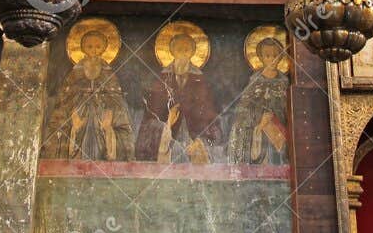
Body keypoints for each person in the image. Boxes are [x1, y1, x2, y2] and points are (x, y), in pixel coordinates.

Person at [44, 21, 133, 162]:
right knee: (77, 129)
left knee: (102, 131)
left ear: (104, 49)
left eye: (97, 47)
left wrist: (109, 111)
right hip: (79, 111)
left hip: (102, 113)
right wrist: (73, 111)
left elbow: (115, 95)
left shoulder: (107, 70)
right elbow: (67, 94)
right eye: (89, 46)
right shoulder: (76, 70)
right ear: (83, 48)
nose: (93, 50)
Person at [135, 24, 221, 163]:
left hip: (194, 136)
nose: (182, 53)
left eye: (186, 49)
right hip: (167, 138)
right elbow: (152, 114)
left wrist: (200, 139)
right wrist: (168, 123)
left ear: (192, 52)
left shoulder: (200, 81)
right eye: (179, 49)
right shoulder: (161, 79)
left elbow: (209, 113)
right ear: (172, 52)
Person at [227, 29, 290, 166]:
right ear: (261, 58)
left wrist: (274, 116)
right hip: (258, 131)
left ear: (280, 57)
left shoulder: (284, 81)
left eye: (276, 55)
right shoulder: (255, 80)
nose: (272, 59)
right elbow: (244, 107)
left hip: (278, 130)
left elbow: (288, 109)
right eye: (267, 56)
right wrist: (260, 119)